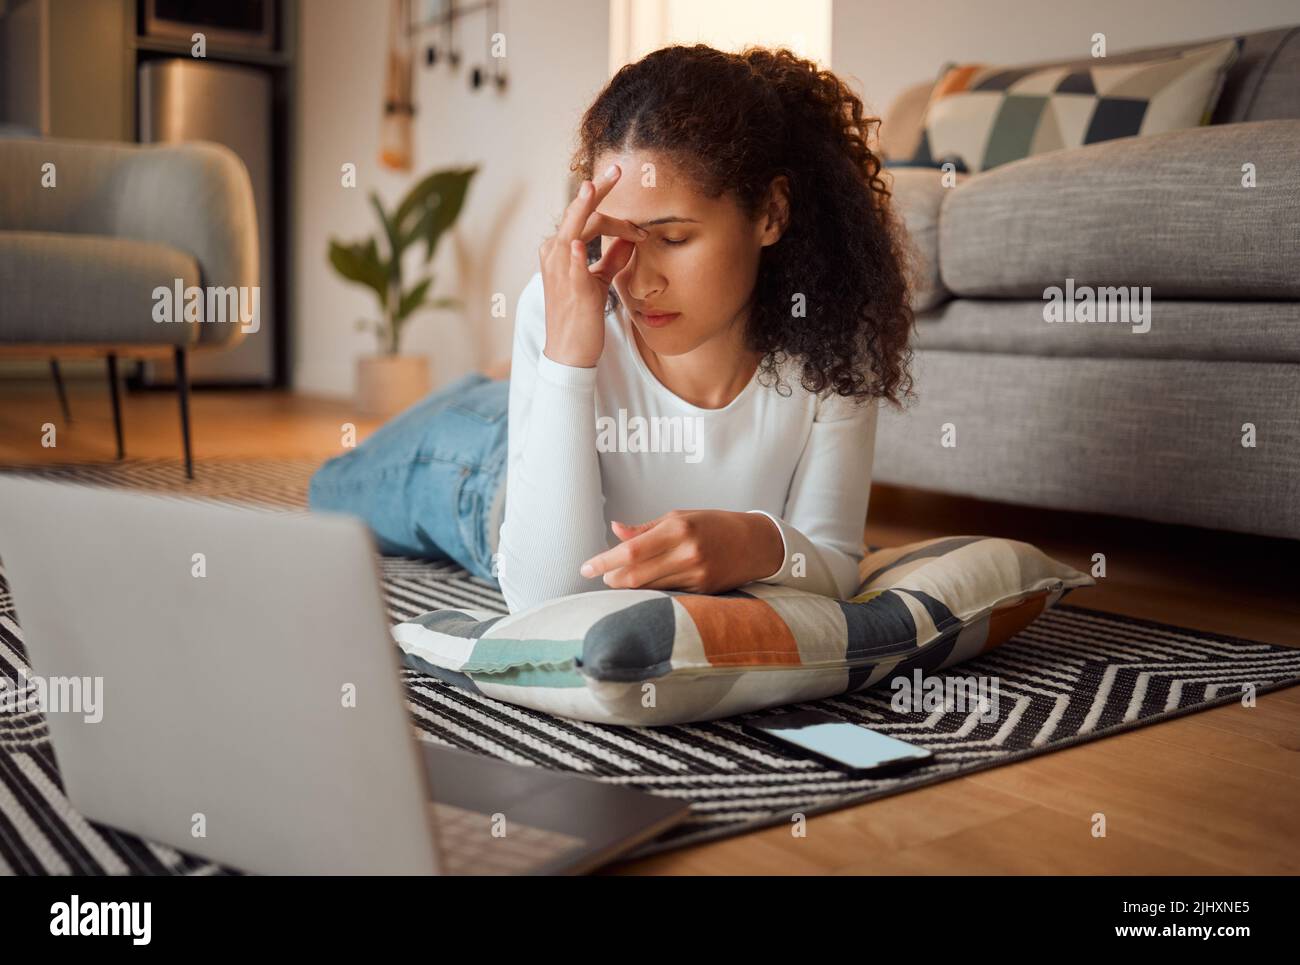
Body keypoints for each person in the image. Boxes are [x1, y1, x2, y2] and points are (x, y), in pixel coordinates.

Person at [310, 44, 918, 614]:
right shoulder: (562, 309)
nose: (638, 282)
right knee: (329, 491)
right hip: (488, 481)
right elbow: (545, 598)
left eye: (674, 238)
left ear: (771, 213)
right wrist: (569, 359)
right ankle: (506, 386)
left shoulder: (835, 342)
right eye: (616, 236)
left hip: (547, 422)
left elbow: (837, 565)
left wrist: (755, 542)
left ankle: (504, 383)